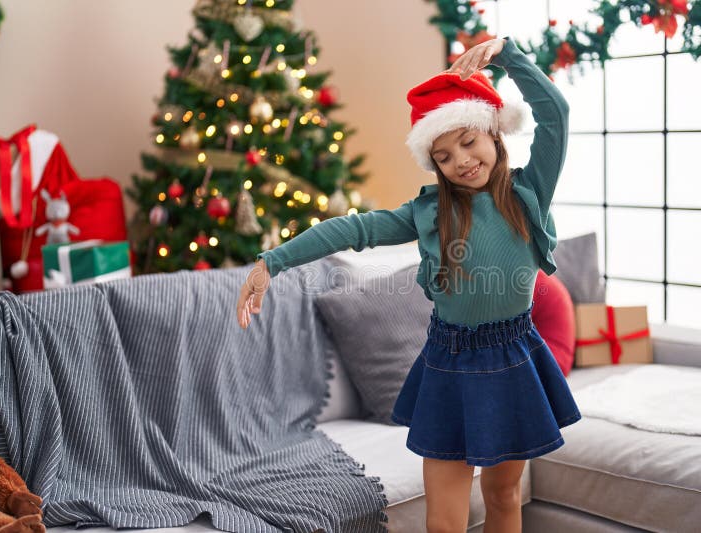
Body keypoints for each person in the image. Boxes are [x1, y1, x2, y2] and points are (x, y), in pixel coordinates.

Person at [236, 36, 581, 533]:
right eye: (443, 155)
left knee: (505, 496)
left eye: (468, 141)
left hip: (513, 358)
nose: (460, 160)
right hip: (449, 363)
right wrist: (272, 262)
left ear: (495, 134)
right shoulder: (428, 213)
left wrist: (506, 54)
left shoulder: (529, 192)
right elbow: (351, 230)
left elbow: (557, 113)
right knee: (443, 521)